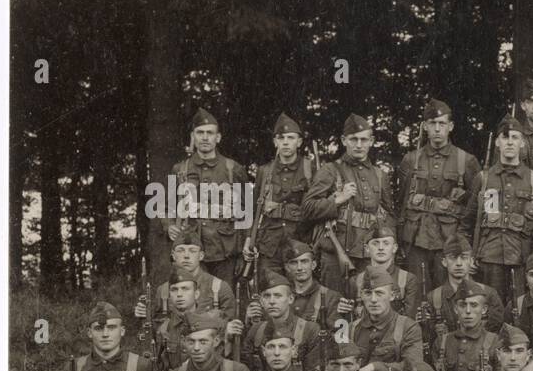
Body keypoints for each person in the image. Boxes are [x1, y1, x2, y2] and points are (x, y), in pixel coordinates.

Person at [301, 113, 397, 293]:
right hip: (335, 254)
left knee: (367, 305)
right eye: (353, 139)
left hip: (370, 255)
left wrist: (389, 248)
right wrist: (336, 200)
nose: (359, 145)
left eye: (363, 139)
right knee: (335, 307)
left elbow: (389, 215)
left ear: (371, 141)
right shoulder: (330, 170)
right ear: (344, 140)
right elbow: (307, 209)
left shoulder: (379, 175)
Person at [160, 107, 250, 282]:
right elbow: (166, 207)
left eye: (210, 133)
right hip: (191, 248)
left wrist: (242, 251)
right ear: (193, 137)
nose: (205, 137)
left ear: (218, 138)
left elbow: (246, 214)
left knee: (224, 299)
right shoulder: (180, 170)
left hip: (225, 251)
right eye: (200, 133)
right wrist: (169, 225)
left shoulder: (233, 169)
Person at [398, 99, 481, 286]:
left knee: (449, 295)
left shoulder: (467, 161)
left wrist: (471, 248)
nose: (437, 128)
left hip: (450, 242)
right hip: (415, 240)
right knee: (416, 293)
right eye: (432, 123)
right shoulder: (410, 160)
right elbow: (402, 203)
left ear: (450, 126)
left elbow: (474, 210)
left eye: (442, 123)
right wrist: (400, 242)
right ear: (425, 126)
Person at [466, 115, 533, 303]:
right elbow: (467, 222)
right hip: (487, 259)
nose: (510, 142)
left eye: (515, 137)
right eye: (505, 137)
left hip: (521, 261)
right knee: (489, 312)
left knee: (518, 314)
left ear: (523, 143)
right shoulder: (483, 179)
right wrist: (468, 255)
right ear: (497, 143)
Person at [249, 112, 318, 275]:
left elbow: (317, 208)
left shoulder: (311, 170)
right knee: (270, 292)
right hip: (269, 247)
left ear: (299, 142)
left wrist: (283, 210)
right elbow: (254, 210)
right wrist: (248, 239)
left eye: (291, 138)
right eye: (281, 138)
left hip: (301, 244)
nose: (286, 142)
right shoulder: (264, 171)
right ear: (275, 142)